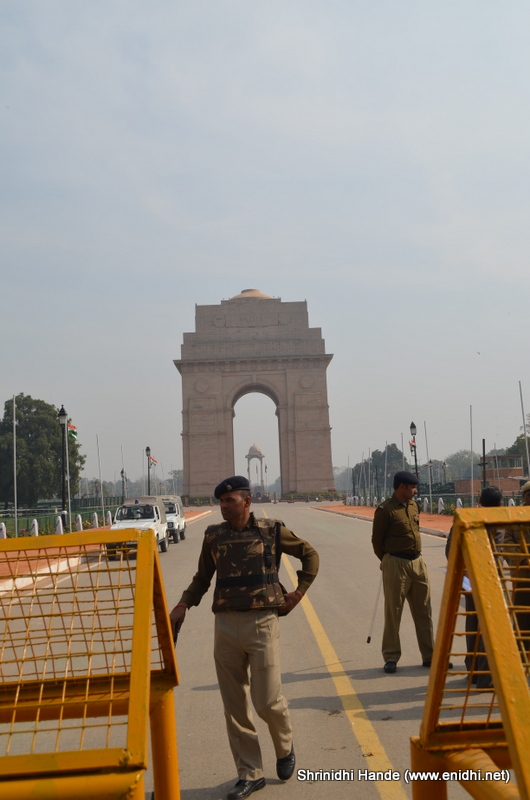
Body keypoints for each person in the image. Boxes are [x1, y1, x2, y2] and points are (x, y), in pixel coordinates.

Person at [169, 476, 319, 800]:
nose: (223, 506)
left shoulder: (272, 531)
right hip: (225, 625)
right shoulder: (214, 536)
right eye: (221, 501)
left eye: (230, 500)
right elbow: (202, 578)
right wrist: (183, 604)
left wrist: (299, 592)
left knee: (267, 700)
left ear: (247, 501)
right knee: (234, 704)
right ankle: (250, 773)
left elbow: (310, 555)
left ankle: (284, 745)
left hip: (262, 622)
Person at [371, 470, 434, 674]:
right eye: (412, 487)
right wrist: (386, 560)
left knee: (424, 611)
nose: (415, 491)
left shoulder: (413, 506)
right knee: (394, 611)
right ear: (401, 487)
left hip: (418, 562)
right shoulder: (385, 510)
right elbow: (377, 541)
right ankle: (391, 657)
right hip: (396, 563)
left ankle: (430, 655)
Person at [446, 486, 504, 688]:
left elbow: (450, 550)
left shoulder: (465, 519)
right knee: (490, 628)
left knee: (473, 624)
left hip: (469, 579)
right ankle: (486, 677)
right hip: (489, 580)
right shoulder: (499, 522)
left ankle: (473, 671)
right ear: (500, 504)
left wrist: (464, 569)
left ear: (479, 500)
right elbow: (496, 554)